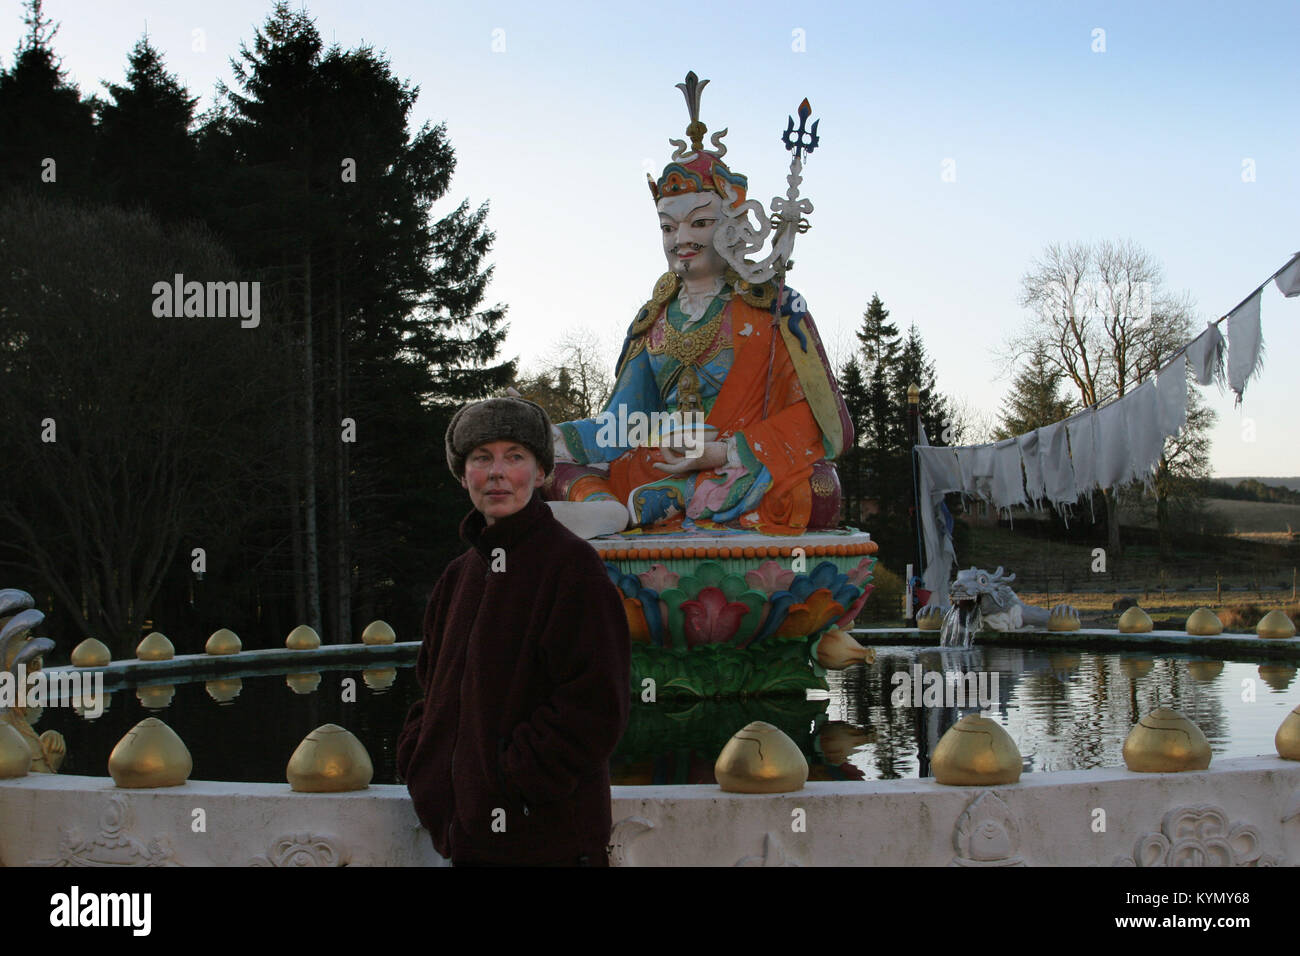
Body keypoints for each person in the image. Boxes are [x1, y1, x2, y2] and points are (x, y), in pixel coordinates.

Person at [546, 77, 852, 538]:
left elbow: (824, 423)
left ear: (733, 226)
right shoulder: (654, 318)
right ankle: (616, 508)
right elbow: (626, 425)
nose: (681, 240)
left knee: (816, 487)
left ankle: (647, 508)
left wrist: (724, 452)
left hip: (735, 467)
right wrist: (552, 436)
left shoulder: (773, 307)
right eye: (668, 228)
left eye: (700, 223)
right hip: (658, 460)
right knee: (547, 468)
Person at [396, 395, 631, 866]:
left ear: (540, 473)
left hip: (550, 843)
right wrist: (423, 763)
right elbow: (431, 690)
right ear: (464, 476)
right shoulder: (458, 576)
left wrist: (513, 783)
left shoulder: (571, 567)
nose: (497, 472)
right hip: (466, 841)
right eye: (482, 458)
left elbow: (595, 707)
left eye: (515, 457)